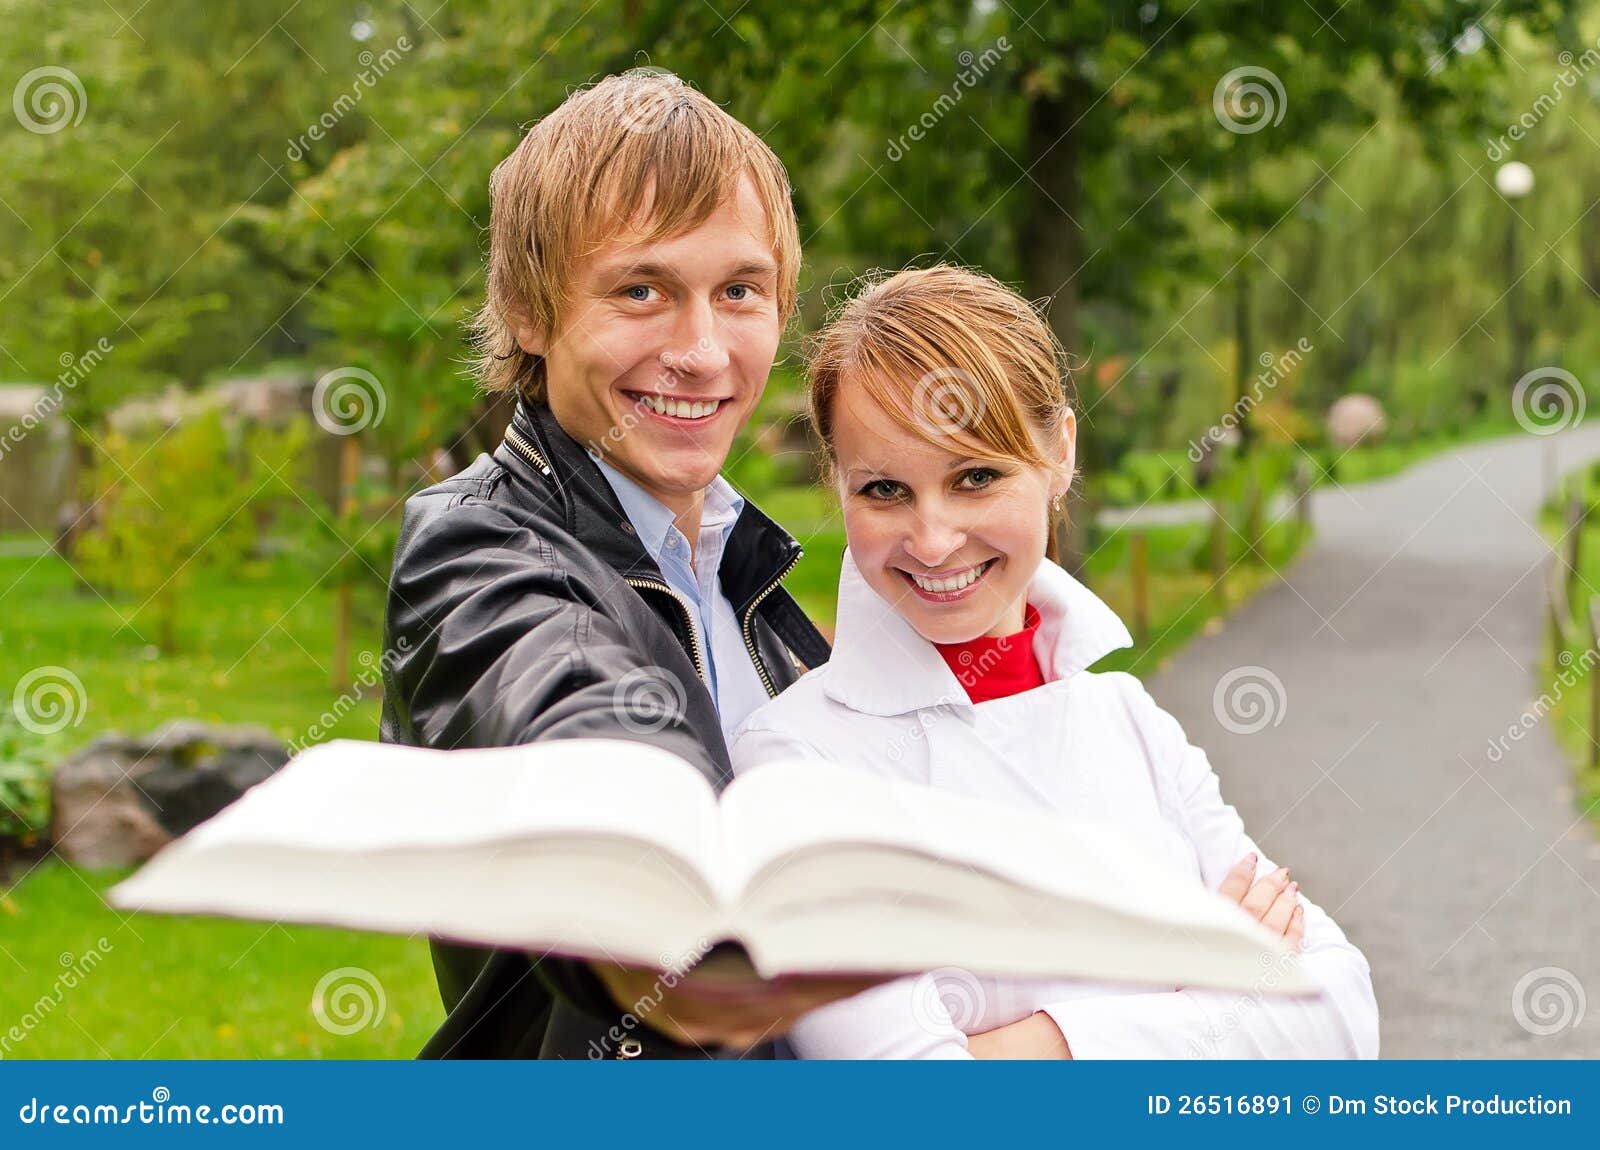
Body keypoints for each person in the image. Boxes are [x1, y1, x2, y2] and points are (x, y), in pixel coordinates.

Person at [727, 265, 1381, 1059]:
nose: (932, 540)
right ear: (838, 484)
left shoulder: (1129, 720)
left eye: (976, 477)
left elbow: (1343, 1018)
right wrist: (1201, 981)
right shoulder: (797, 763)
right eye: (885, 490)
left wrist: (1026, 1046)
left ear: (1060, 450)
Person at [378, 69, 879, 1059]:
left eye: (739, 292)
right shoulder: (473, 550)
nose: (700, 351)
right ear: (528, 310)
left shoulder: (748, 575)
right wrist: (655, 865)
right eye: (641, 290)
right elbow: (569, 693)